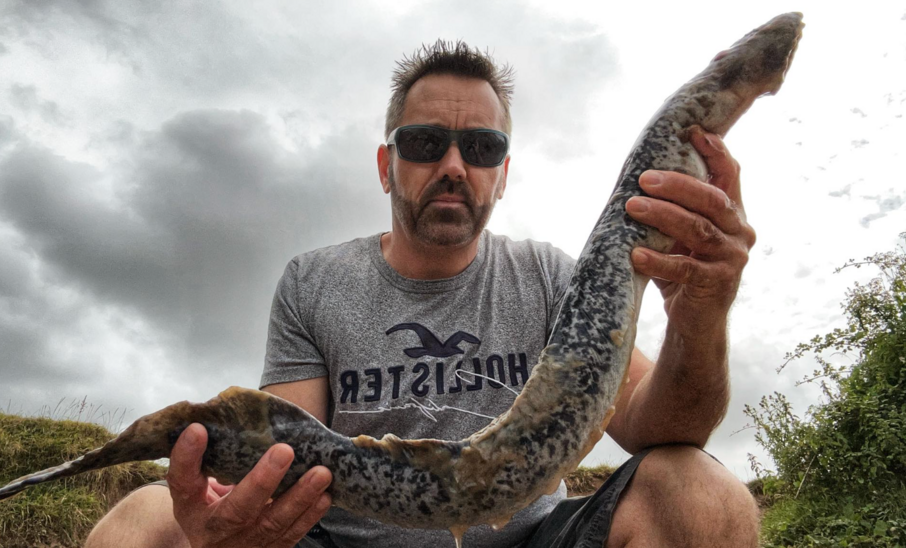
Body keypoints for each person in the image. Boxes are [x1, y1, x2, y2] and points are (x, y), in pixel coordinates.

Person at [86, 41, 759, 548]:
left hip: (529, 541)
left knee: (698, 491)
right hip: (340, 542)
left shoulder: (554, 278)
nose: (453, 167)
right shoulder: (312, 282)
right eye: (426, 142)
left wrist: (703, 309)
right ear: (388, 164)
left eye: (482, 147)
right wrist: (240, 519)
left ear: (502, 175)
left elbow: (664, 430)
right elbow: (285, 450)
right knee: (142, 522)